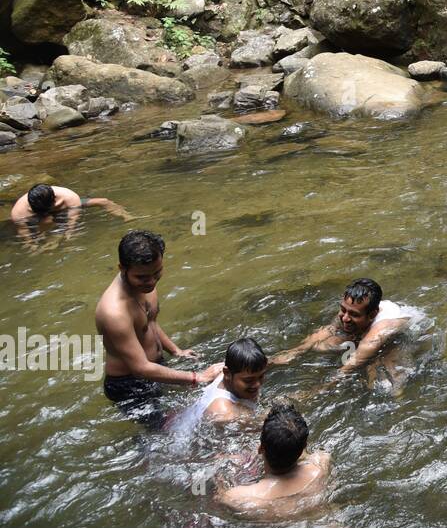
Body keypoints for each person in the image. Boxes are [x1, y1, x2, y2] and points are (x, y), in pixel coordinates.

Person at [95, 231, 222, 429]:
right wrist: (198, 377)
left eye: (157, 273)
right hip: (129, 385)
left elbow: (150, 323)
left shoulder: (146, 283)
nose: (152, 282)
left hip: (156, 367)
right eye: (142, 277)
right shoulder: (114, 312)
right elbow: (141, 368)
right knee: (163, 431)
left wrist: (175, 350)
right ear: (122, 269)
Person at [269, 278, 413, 384]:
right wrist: (291, 354)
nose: (345, 318)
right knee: (323, 346)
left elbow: (348, 368)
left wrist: (314, 392)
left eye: (353, 314)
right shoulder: (349, 312)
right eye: (343, 310)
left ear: (372, 315)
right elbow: (323, 334)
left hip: (403, 337)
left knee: (381, 381)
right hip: (365, 330)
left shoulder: (381, 330)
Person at [215, 404, 330, 521]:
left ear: (260, 448)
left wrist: (219, 479)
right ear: (303, 448)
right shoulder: (320, 467)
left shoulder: (237, 497)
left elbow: (219, 497)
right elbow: (313, 454)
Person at [166, 338, 265, 438]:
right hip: (183, 442)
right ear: (227, 374)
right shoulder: (224, 412)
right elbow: (265, 425)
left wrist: (275, 360)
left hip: (180, 420)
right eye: (248, 380)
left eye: (261, 376)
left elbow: (254, 366)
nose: (257, 384)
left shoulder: (228, 370)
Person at [10, 183, 128, 223]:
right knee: (47, 221)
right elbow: (24, 230)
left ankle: (126, 216)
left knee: (103, 201)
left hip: (63, 207)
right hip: (39, 216)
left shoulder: (69, 197)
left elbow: (73, 218)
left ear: (55, 200)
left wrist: (69, 233)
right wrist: (32, 245)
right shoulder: (19, 212)